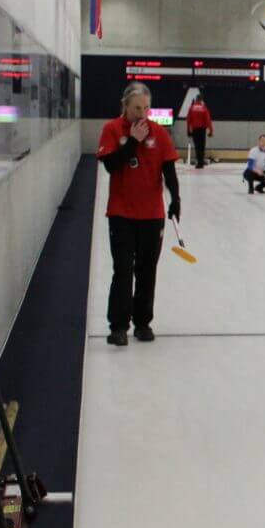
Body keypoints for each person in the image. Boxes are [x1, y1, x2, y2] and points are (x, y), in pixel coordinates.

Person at [96, 82, 181, 347]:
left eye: (146, 107)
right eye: (136, 108)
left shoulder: (160, 133)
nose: (142, 113)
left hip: (151, 215)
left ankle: (143, 322)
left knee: (147, 271)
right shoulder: (111, 129)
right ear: (125, 106)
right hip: (121, 213)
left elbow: (169, 170)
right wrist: (133, 141)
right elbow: (111, 165)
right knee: (122, 270)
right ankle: (118, 326)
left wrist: (175, 199)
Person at [184, 89, 213, 170]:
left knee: (197, 146)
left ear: (196, 99)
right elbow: (208, 120)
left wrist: (188, 130)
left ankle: (199, 163)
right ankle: (201, 162)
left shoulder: (192, 108)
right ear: (201, 100)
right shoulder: (204, 108)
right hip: (202, 130)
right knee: (202, 146)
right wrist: (210, 131)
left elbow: (188, 120)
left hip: (195, 130)